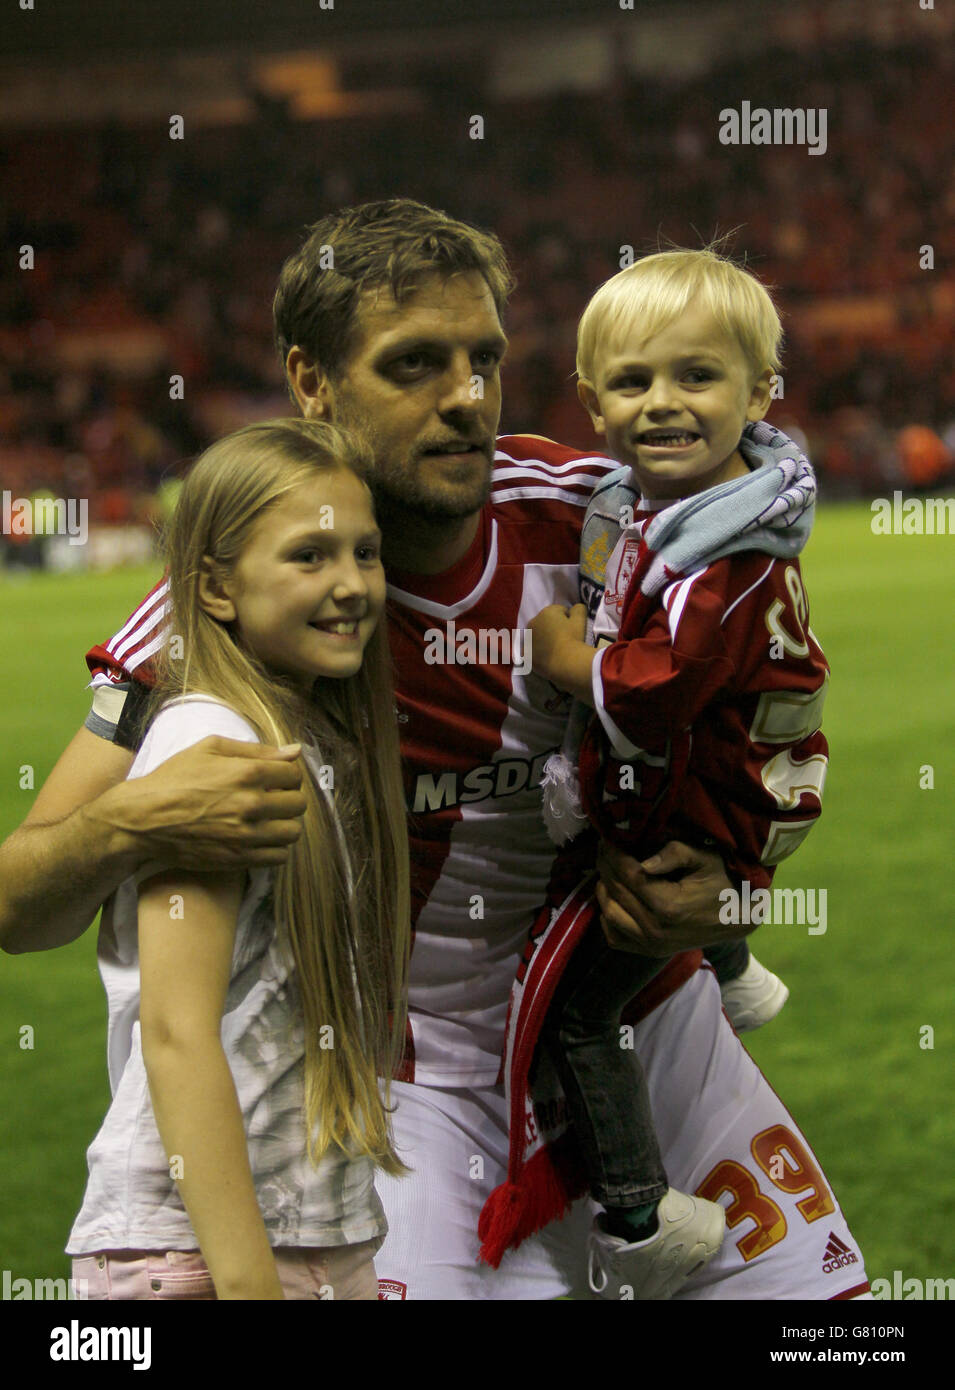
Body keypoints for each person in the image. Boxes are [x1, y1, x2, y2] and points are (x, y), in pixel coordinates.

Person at [0, 200, 869, 1300]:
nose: (463, 398)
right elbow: (18, 903)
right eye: (414, 363)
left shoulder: (598, 521)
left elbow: (770, 727)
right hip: (396, 1083)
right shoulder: (220, 615)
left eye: (484, 360)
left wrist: (732, 891)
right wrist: (135, 819)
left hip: (632, 1018)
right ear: (311, 382)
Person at [478, 249, 829, 1297]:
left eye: (696, 377)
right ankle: (733, 966)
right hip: (736, 777)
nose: (661, 404)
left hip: (713, 796)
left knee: (578, 1014)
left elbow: (653, 687)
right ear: (589, 400)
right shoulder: (692, 503)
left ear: (761, 390)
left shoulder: (723, 554)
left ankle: (643, 1213)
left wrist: (563, 658)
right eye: (631, 383)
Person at [66, 418, 411, 1300]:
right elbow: (177, 1033)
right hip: (198, 1254)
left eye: (365, 553)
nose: (351, 585)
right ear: (215, 587)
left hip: (304, 1236)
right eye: (309, 556)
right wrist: (250, 1285)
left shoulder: (306, 726)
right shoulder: (209, 736)